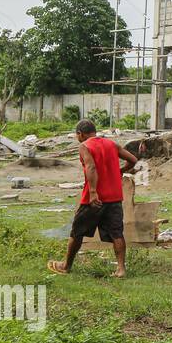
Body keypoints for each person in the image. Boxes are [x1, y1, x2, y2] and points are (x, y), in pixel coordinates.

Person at [49, 119, 138, 278]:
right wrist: (121, 170)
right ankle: (121, 269)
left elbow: (90, 167)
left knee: (77, 232)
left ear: (80, 134)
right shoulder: (111, 144)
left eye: (77, 135)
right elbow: (133, 160)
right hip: (115, 197)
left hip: (94, 198)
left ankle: (66, 266)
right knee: (117, 233)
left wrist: (93, 192)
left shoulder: (85, 146)